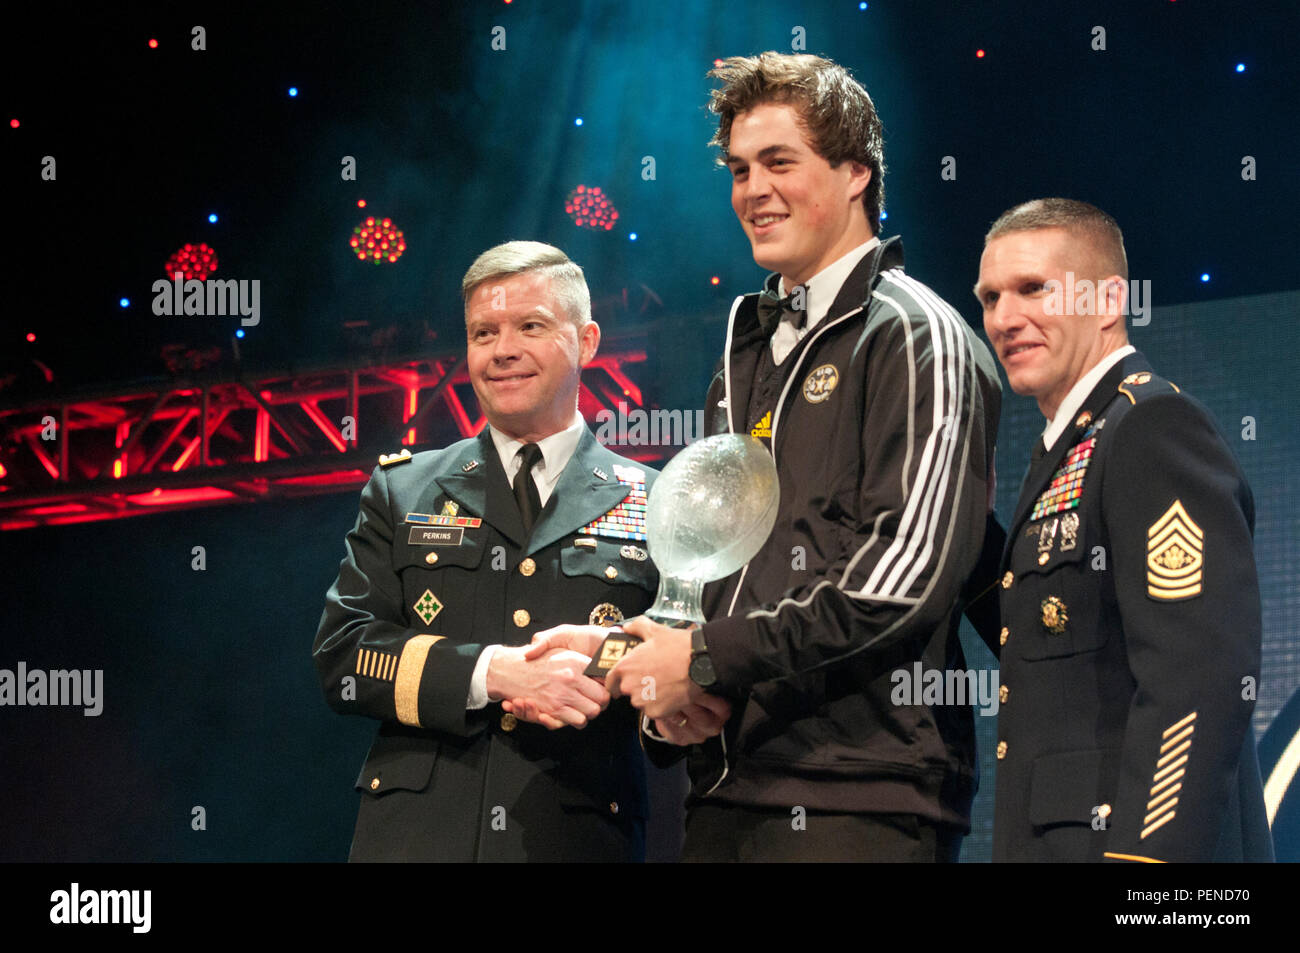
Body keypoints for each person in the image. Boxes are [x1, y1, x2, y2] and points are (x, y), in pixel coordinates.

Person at [602, 52, 1003, 862]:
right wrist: (674, 685)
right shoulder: (745, 351)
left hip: (860, 790)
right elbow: (727, 562)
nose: (753, 190)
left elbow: (904, 577)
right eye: (741, 169)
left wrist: (708, 658)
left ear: (856, 172)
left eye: (780, 162)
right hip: (726, 785)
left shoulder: (916, 335)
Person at [313, 241, 664, 861]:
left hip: (576, 839)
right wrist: (494, 673)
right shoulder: (404, 487)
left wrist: (607, 670)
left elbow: (688, 672)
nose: (502, 350)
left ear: (585, 342)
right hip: (418, 839)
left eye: (530, 326)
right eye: (483, 332)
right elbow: (344, 658)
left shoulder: (655, 500)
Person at [974, 197, 1273, 862]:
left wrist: (1148, 870)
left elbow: (1200, 674)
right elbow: (1051, 641)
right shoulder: (1071, 446)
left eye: (1032, 289)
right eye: (990, 296)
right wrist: (969, 539)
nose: (1004, 318)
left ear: (1109, 300)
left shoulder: (1148, 426)